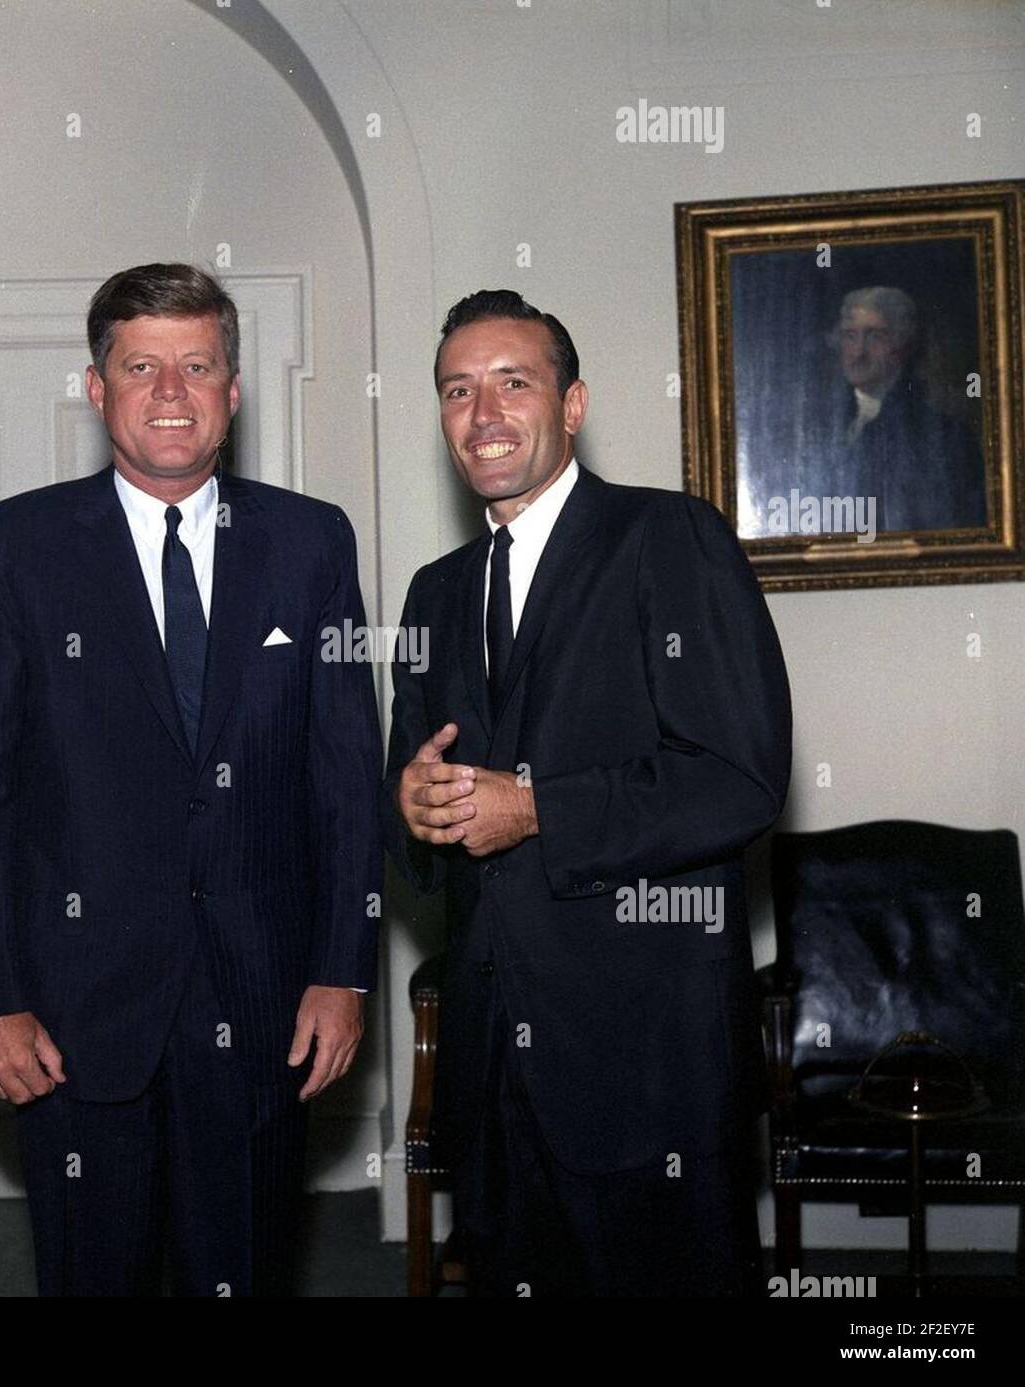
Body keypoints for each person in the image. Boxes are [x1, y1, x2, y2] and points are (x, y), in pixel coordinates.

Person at [0, 262, 383, 1297]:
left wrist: (342, 970)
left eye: (197, 366)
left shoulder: (310, 543)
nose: (171, 392)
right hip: (71, 1014)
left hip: (263, 999)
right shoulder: (16, 548)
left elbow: (347, 778)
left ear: (232, 389)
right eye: (142, 366)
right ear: (97, 389)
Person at [383, 289, 793, 1296]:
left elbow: (738, 779)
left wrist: (536, 807)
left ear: (572, 406)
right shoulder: (435, 591)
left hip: (647, 1063)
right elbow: (412, 821)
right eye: (456, 391)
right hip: (492, 1069)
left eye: (512, 383)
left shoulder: (670, 538)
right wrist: (411, 810)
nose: (482, 414)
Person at [811, 286, 986, 532]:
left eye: (875, 337)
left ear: (903, 344)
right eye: (850, 335)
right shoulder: (818, 426)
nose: (859, 352)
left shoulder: (945, 436)